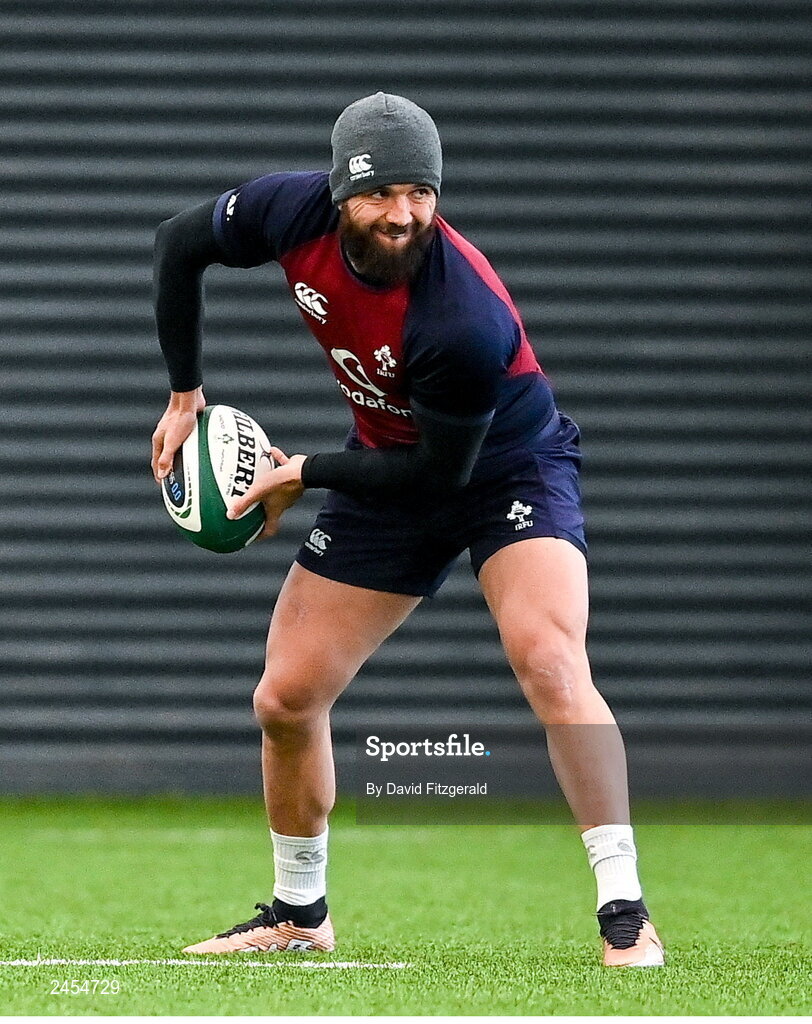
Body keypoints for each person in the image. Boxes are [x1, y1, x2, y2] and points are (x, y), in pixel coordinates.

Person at [151, 92, 664, 967]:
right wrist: (185, 393)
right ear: (340, 190)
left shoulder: (460, 316)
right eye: (382, 192)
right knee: (285, 698)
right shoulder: (288, 209)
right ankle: (299, 913)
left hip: (507, 468)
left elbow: (438, 476)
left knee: (548, 657)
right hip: (387, 459)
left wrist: (303, 474)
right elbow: (178, 243)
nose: (403, 213)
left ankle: (626, 912)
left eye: (421, 193)